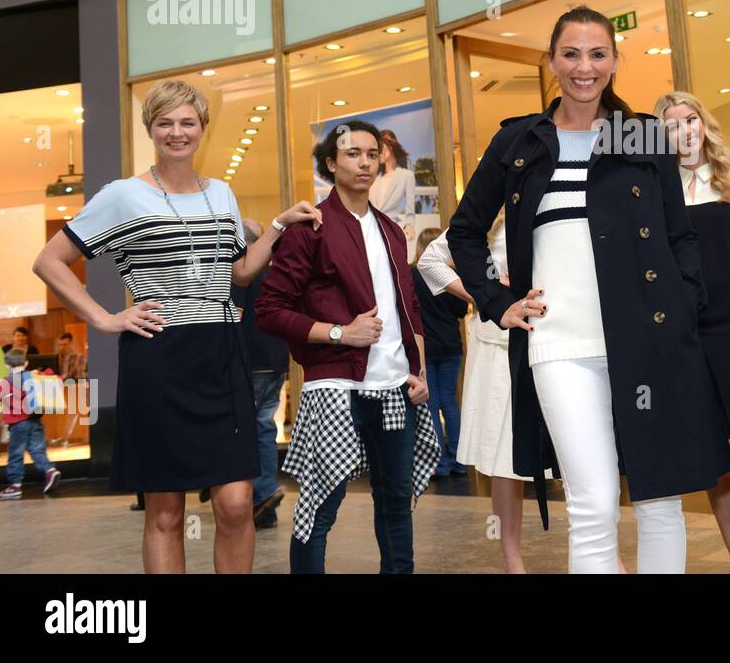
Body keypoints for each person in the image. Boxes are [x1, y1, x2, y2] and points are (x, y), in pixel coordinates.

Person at [448, 6, 730, 574]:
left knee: (658, 498)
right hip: (559, 346)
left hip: (649, 340)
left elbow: (680, 235)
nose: (585, 67)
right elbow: (465, 231)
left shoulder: (642, 134)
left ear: (615, 61)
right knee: (595, 503)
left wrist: (684, 304)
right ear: (551, 61)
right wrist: (499, 304)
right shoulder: (520, 140)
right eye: (571, 54)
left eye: (598, 54)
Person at [31, 79, 321, 573]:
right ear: (151, 129)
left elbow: (240, 273)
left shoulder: (221, 194)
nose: (177, 132)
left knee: (235, 504)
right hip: (159, 358)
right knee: (166, 512)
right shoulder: (122, 196)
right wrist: (104, 317)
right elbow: (50, 261)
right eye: (165, 122)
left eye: (187, 122)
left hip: (224, 355)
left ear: (203, 129)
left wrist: (276, 226)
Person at [256, 120, 439, 574]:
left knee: (397, 505)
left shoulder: (393, 231)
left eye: (372, 153)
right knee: (320, 508)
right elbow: (270, 310)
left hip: (395, 386)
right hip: (335, 384)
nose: (364, 162)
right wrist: (340, 332)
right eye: (352, 153)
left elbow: (408, 308)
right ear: (331, 163)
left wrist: (419, 372)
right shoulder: (309, 228)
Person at [655, 90, 730, 575]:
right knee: (713, 453)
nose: (683, 130)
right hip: (686, 335)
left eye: (690, 120)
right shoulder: (660, 192)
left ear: (703, 124)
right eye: (671, 125)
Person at [419, 215, 561, 574]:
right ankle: (512, 559)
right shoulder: (485, 218)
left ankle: (596, 550)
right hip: (499, 345)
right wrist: (488, 294)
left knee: (572, 449)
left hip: (557, 338)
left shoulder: (554, 199)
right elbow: (430, 261)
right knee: (504, 461)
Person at [232, 218, 291, 530]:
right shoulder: (276, 272)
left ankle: (261, 492)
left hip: (250, 361)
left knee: (244, 430)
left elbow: (236, 318)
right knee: (265, 427)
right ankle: (265, 507)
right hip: (277, 360)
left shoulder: (241, 272)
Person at [411, 227, 468, 477]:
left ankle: (438, 463)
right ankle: (459, 459)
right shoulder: (451, 275)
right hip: (450, 345)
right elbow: (459, 310)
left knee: (431, 404)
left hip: (424, 346)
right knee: (450, 402)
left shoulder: (411, 275)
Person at [0, 350, 62, 500]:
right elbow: (55, 379)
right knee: (37, 450)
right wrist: (37, 374)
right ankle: (50, 470)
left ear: (7, 365)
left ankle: (15, 486)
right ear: (25, 363)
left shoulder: (7, 381)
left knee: (15, 453)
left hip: (18, 424)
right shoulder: (33, 378)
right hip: (34, 420)